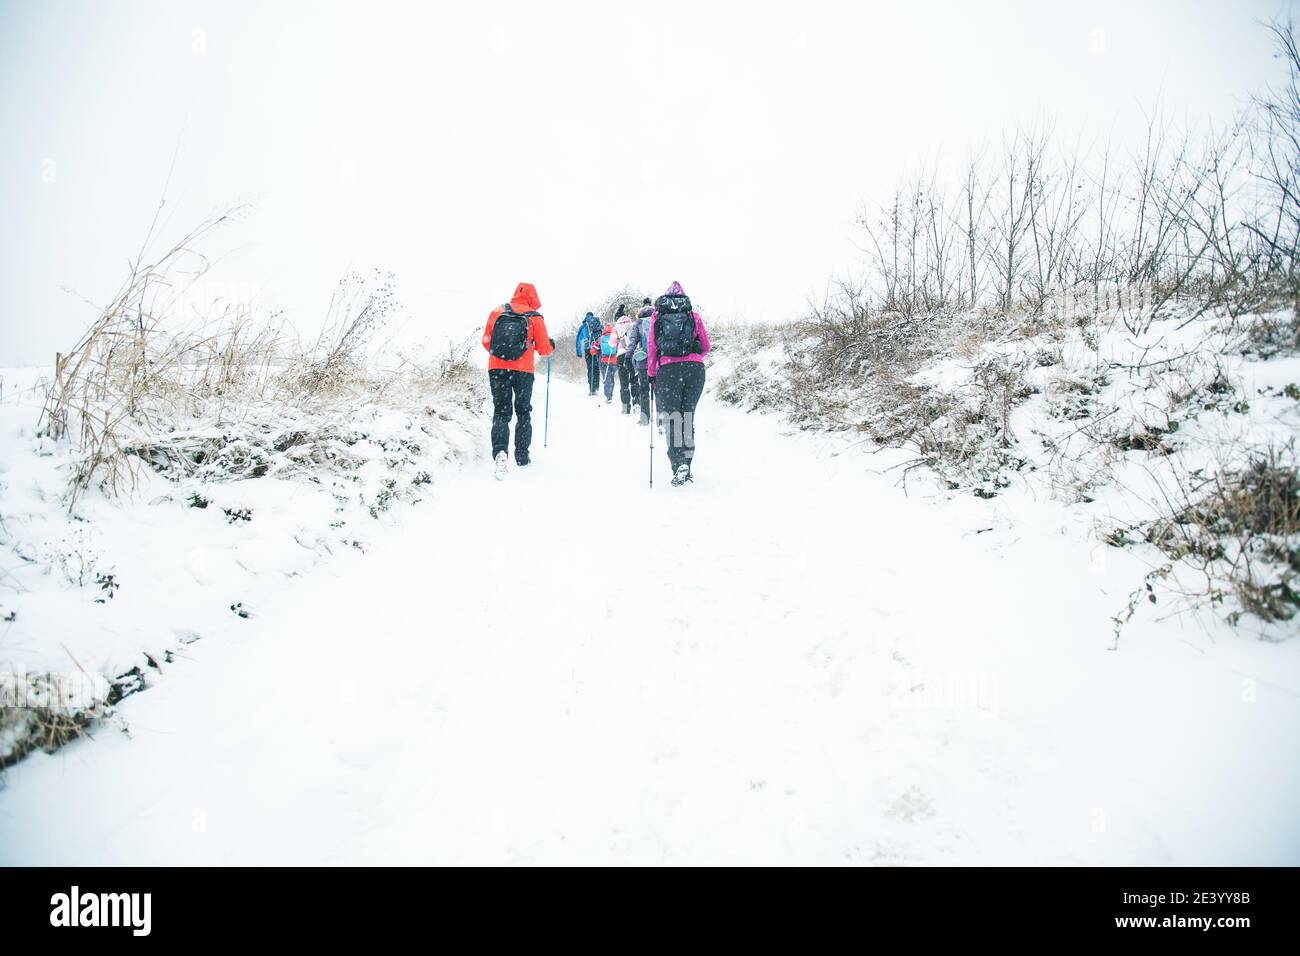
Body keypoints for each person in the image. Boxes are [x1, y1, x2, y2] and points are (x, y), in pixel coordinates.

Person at [482, 282, 555, 479]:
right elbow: (544, 349)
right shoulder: (535, 317)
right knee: (523, 411)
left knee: (501, 412)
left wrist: (501, 356)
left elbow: (486, 341)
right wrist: (550, 346)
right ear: (533, 297)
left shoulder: (498, 311)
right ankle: (522, 456)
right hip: (523, 371)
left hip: (497, 368)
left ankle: (500, 453)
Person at [647, 281, 710, 486]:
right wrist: (691, 354)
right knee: (687, 417)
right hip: (695, 370)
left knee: (673, 418)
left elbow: (652, 347)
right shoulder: (693, 315)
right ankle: (687, 464)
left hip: (668, 371)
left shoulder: (658, 316)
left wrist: (651, 373)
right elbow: (706, 347)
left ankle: (678, 463)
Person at [623, 297, 653, 425]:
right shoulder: (658, 320)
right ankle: (662, 420)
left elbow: (633, 342)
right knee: (659, 391)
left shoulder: (638, 323)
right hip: (656, 361)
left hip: (643, 361)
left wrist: (628, 355)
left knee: (644, 390)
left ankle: (645, 418)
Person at [613, 304, 637, 414]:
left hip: (621, 355)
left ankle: (625, 406)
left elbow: (612, 343)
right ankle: (637, 403)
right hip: (632, 355)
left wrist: (618, 339)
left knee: (624, 383)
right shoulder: (632, 324)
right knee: (634, 380)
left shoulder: (616, 326)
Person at [575, 311, 602, 395]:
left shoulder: (583, 326)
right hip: (597, 348)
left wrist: (579, 352)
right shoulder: (598, 324)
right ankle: (596, 387)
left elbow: (578, 340)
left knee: (590, 368)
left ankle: (592, 389)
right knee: (597, 367)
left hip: (587, 349)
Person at [599, 321, 619, 404]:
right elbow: (618, 347)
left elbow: (596, 348)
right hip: (614, 360)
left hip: (604, 360)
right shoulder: (615, 337)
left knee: (607, 378)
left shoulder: (601, 338)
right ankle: (610, 394)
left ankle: (608, 396)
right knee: (611, 378)